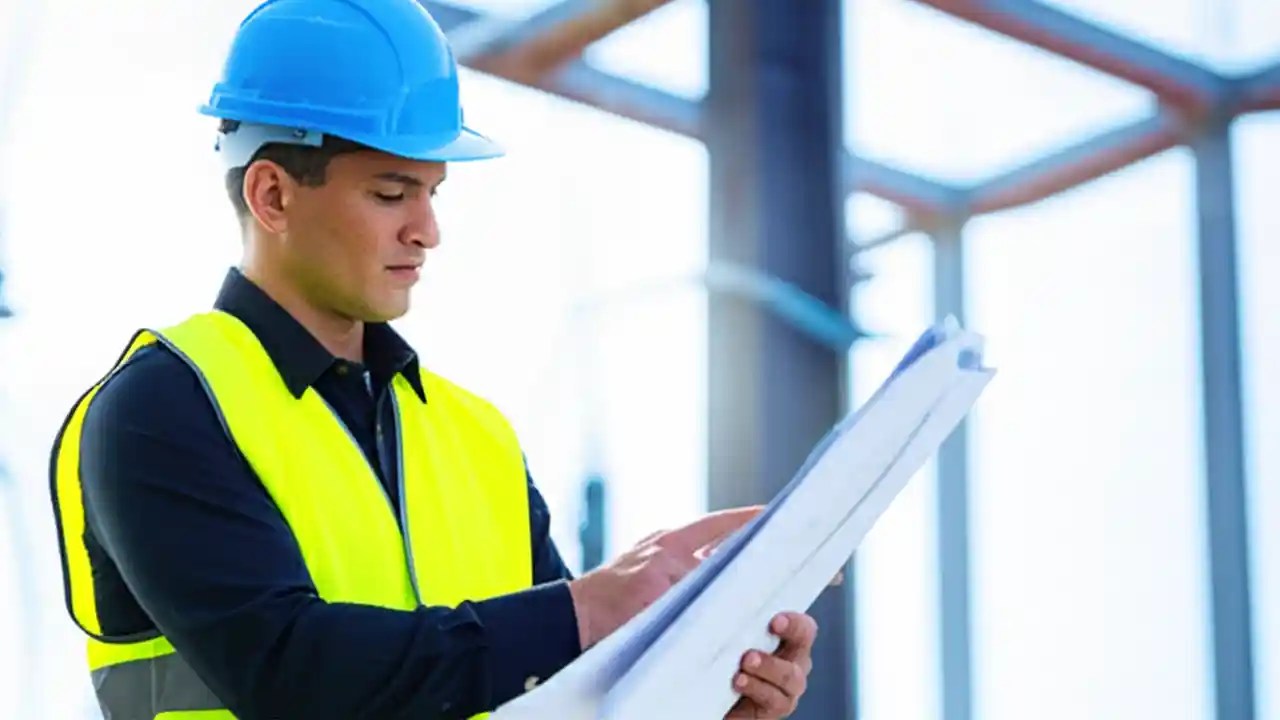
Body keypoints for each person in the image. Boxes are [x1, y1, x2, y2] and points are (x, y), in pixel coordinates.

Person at [47, 1, 820, 718]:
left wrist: (699, 699)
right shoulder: (162, 409)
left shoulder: (474, 438)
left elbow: (558, 692)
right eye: (390, 194)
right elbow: (285, 671)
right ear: (273, 197)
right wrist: (585, 606)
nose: (426, 231)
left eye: (432, 193)